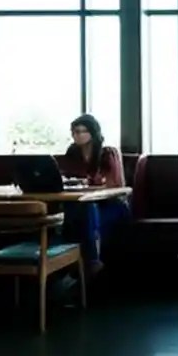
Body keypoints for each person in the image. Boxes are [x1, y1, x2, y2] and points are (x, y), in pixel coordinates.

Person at [58, 114, 128, 273]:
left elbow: (113, 185)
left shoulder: (107, 153)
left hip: (110, 204)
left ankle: (92, 261)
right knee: (72, 211)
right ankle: (68, 265)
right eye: (74, 132)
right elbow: (66, 176)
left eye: (81, 131)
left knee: (88, 210)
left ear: (92, 133)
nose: (76, 135)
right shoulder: (72, 152)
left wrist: (86, 185)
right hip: (81, 202)